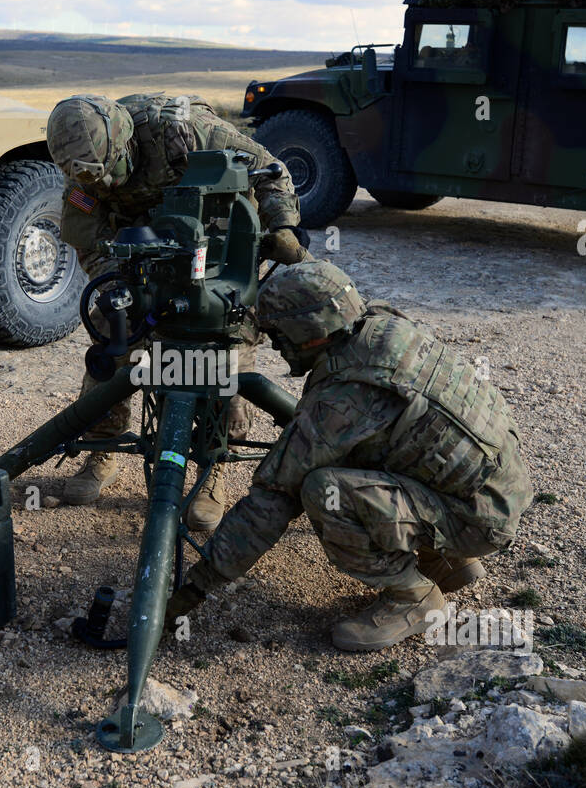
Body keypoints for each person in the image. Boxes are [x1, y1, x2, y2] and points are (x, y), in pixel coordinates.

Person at [165, 261, 534, 651]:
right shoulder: (383, 324)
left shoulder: (342, 403)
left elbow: (270, 502)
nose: (275, 344)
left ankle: (414, 597)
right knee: (366, 450)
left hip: (476, 518)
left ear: (307, 332)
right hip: (497, 488)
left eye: (279, 333)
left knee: (322, 489)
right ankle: (444, 560)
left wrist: (197, 587)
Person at [46, 92, 308, 530]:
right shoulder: (83, 176)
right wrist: (126, 283)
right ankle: (102, 451)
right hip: (149, 259)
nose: (105, 186)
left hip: (221, 249)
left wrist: (281, 226)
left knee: (225, 349)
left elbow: (271, 171)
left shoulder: (182, 130)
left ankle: (211, 470)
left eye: (110, 171)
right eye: (94, 181)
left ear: (123, 139)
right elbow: (87, 239)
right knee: (112, 331)